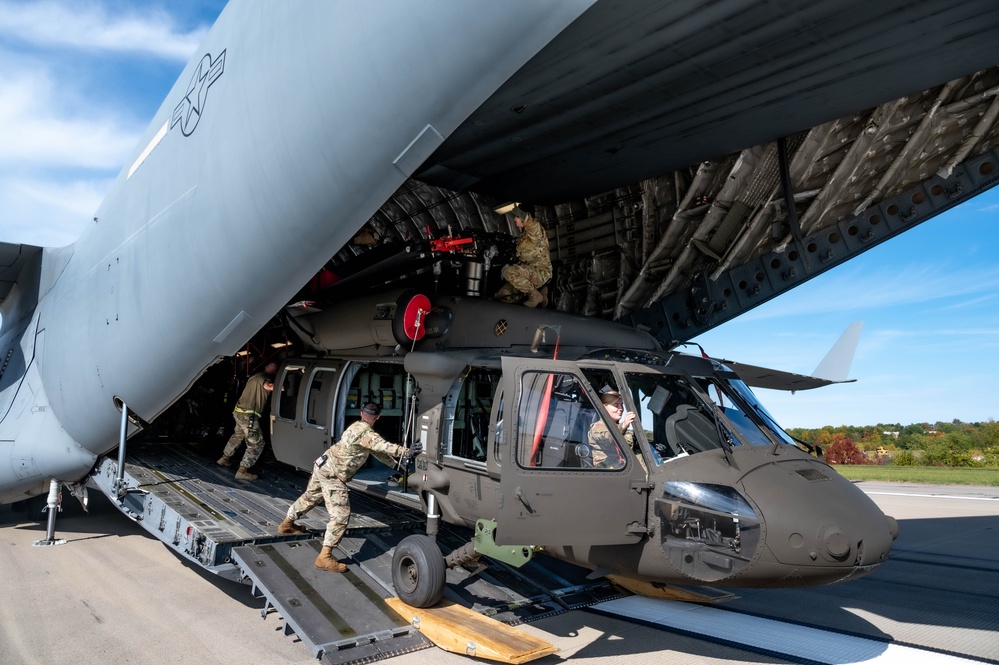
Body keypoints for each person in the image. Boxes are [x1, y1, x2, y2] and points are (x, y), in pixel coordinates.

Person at [279, 403, 411, 572]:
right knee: (340, 516)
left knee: (310, 497)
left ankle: (287, 524)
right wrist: (406, 452)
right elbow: (383, 446)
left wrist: (397, 467)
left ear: (362, 413)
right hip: (333, 475)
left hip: (322, 466)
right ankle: (324, 557)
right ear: (378, 417)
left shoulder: (356, 427)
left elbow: (377, 451)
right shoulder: (366, 433)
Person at [217, 361, 277, 481]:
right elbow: (268, 386)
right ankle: (242, 470)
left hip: (239, 412)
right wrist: (280, 386)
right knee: (256, 443)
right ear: (274, 372)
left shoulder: (255, 375)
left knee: (238, 435)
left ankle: (224, 458)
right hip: (248, 415)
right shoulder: (265, 379)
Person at [495, 206, 552, 308]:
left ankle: (535, 295)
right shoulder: (524, 236)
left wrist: (522, 214)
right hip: (528, 272)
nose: (514, 219)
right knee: (503, 295)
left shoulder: (536, 230)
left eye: (517, 216)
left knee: (509, 272)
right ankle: (541, 292)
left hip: (540, 272)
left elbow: (530, 224)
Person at [587, 390, 635, 469]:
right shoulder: (597, 427)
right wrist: (623, 426)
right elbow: (608, 439)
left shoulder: (618, 427)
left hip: (622, 467)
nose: (621, 409)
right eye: (616, 405)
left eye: (621, 405)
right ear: (604, 407)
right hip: (607, 470)